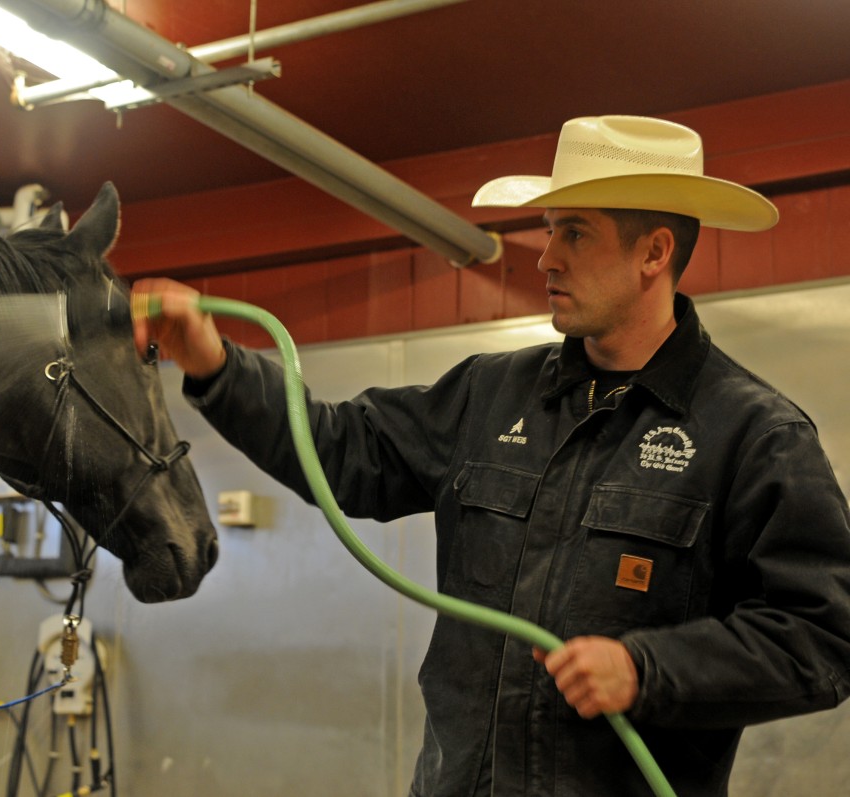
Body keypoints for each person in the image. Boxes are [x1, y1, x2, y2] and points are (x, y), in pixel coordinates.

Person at [131, 116, 850, 796]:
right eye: (550, 229)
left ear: (654, 253)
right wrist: (216, 366)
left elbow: (822, 636)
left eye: (575, 233)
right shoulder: (490, 393)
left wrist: (647, 668)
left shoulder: (754, 435)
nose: (546, 257)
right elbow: (343, 449)